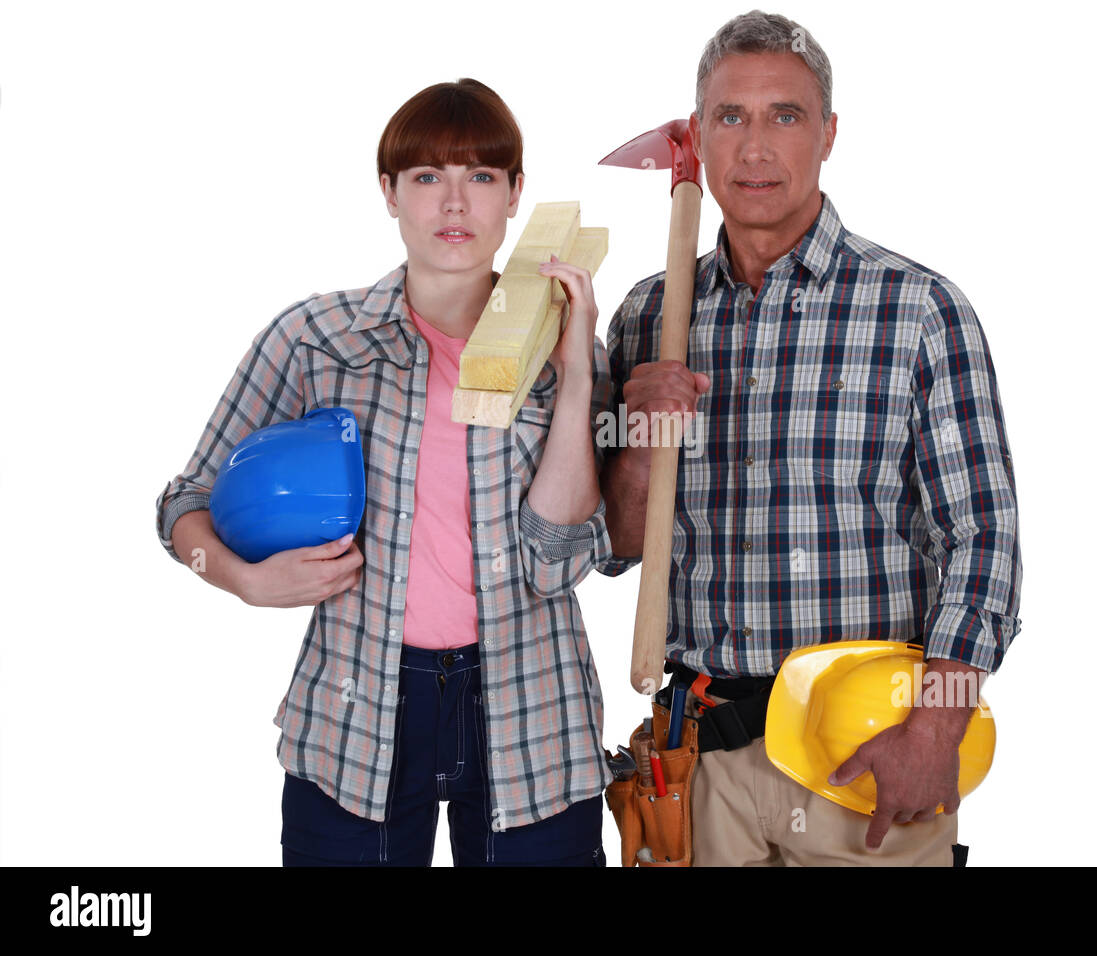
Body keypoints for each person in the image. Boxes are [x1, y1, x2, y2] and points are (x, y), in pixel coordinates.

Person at [597, 11, 1023, 866]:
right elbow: (610, 546)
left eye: (785, 116)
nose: (756, 147)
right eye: (730, 117)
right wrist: (643, 438)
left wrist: (936, 728)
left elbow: (984, 541)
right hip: (699, 761)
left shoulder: (919, 311)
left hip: (865, 757)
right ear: (700, 136)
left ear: (828, 134)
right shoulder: (651, 314)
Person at [155, 79, 615, 866]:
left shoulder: (568, 351)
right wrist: (240, 578)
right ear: (389, 193)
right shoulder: (316, 338)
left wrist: (575, 381)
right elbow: (182, 505)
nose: (454, 204)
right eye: (427, 178)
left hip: (532, 705)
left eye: (480, 177)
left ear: (515, 196)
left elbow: (563, 561)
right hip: (359, 703)